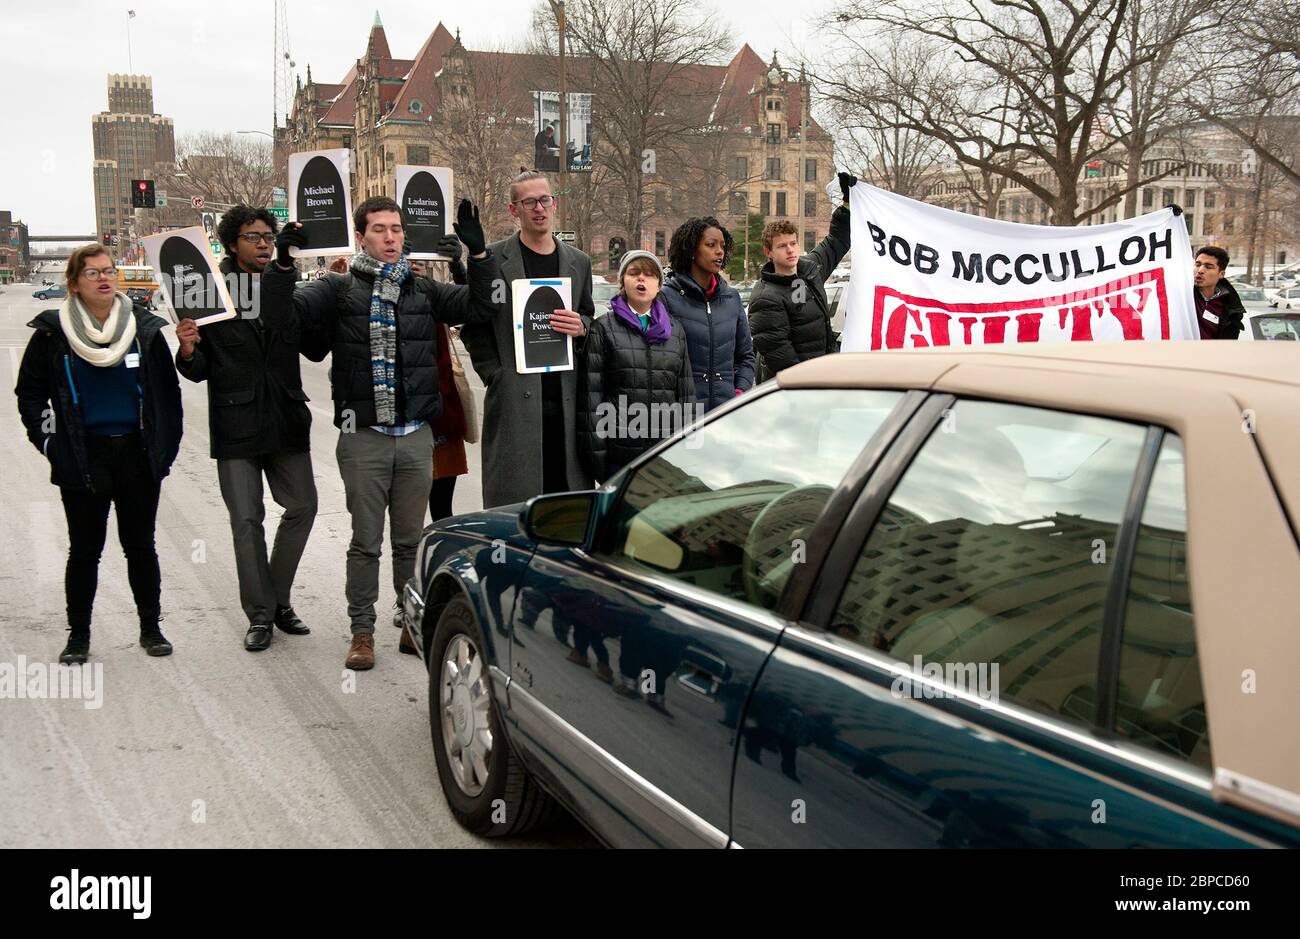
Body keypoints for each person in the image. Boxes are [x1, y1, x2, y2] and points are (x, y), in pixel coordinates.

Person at [263, 196, 501, 671]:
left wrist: (475, 258)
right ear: (360, 236)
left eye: (396, 229)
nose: (390, 237)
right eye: (379, 229)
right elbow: (281, 318)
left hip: (416, 437)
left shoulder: (422, 290)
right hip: (363, 438)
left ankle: (411, 621)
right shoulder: (339, 289)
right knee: (366, 541)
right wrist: (283, 264)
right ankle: (362, 632)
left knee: (411, 540)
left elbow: (481, 308)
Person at [15, 243, 182, 663]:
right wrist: (49, 443)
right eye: (92, 273)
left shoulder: (144, 330)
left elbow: (168, 395)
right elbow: (30, 395)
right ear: (73, 282)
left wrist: (163, 452)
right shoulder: (53, 333)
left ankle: (151, 627)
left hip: (136, 455)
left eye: (109, 270)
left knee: (140, 545)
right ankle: (79, 635)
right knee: (85, 549)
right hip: (81, 454)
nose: (104, 278)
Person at [174, 205, 321, 653]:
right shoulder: (207, 292)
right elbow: (198, 371)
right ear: (231, 243)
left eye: (268, 236)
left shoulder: (285, 286)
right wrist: (187, 348)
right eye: (252, 236)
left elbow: (308, 343)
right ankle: (261, 615)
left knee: (303, 507)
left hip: (285, 418)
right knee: (246, 520)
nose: (263, 243)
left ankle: (275, 598)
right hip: (235, 423)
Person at [460, 170, 595, 507]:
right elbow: (473, 325)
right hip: (515, 404)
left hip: (566, 401)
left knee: (567, 508)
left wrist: (582, 327)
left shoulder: (579, 262)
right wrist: (495, 373)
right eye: (529, 201)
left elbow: (590, 319)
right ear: (513, 209)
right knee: (515, 509)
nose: (539, 208)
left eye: (545, 199)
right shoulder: (491, 259)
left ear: (554, 203)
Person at [579, 250, 693, 482]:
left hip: (664, 455)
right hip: (619, 455)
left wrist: (685, 449)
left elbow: (686, 394)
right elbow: (591, 399)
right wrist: (598, 461)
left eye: (650, 275)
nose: (642, 279)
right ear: (623, 282)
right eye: (634, 273)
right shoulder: (603, 329)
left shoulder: (675, 331)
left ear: (659, 285)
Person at [748, 173, 856, 381]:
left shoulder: (810, 270)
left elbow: (836, 240)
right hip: (794, 391)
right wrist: (812, 386)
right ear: (768, 252)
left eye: (793, 243)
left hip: (823, 378)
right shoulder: (765, 298)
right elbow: (783, 361)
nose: (790, 250)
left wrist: (847, 203)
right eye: (782, 246)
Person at [661, 217, 755, 412]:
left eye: (722, 245)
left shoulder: (732, 298)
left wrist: (739, 392)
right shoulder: (666, 298)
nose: (719, 251)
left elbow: (746, 356)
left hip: (725, 414)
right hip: (684, 415)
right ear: (692, 250)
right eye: (711, 245)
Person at [1193, 245, 1245, 340]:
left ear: (1221, 274)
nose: (1200, 270)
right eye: (1197, 264)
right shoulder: (1183, 296)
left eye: (1208, 267)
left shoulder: (1231, 307)